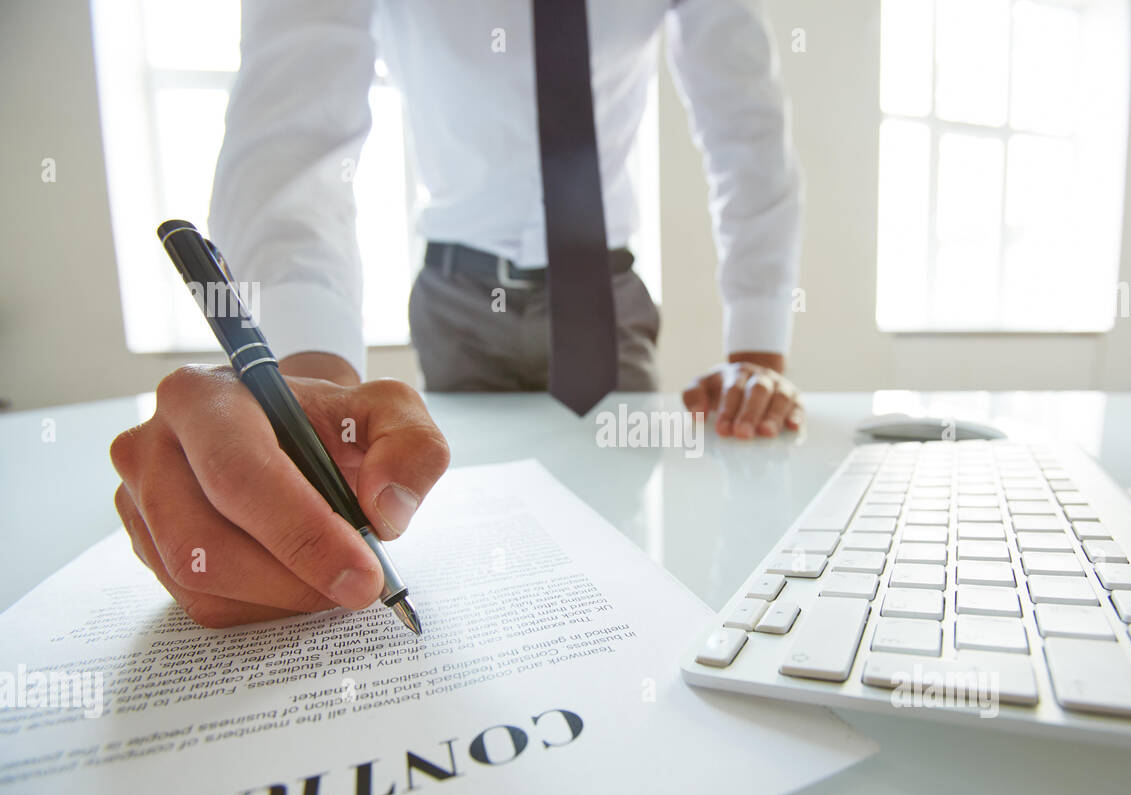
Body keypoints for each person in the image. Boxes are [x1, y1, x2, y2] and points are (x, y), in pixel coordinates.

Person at [110, 0, 805, 628]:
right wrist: (300, 397)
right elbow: (295, 121)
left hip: (605, 298)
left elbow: (746, 127)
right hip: (459, 298)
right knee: (468, 522)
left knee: (615, 530)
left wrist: (757, 353)